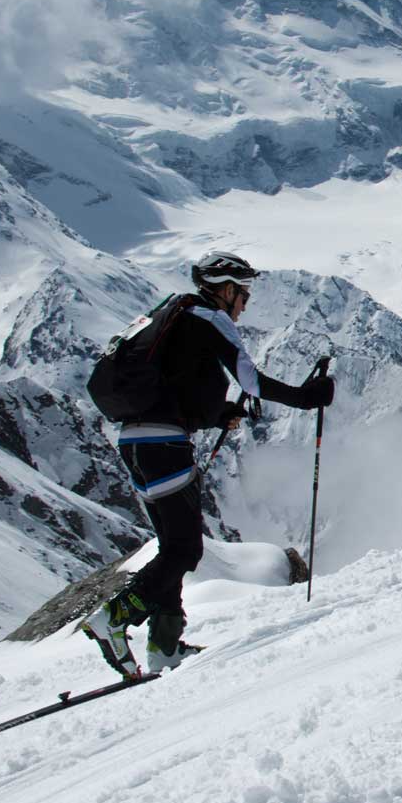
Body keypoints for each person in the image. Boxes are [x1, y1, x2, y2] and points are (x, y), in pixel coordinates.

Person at [80, 251, 335, 677]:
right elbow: (250, 380)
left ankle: (164, 646)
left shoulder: (172, 315)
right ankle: (115, 617)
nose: (245, 305)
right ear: (227, 290)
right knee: (185, 549)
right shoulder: (209, 318)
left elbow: (177, 387)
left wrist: (218, 414)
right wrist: (306, 398)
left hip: (135, 441)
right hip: (165, 444)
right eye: (244, 294)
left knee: (173, 546)